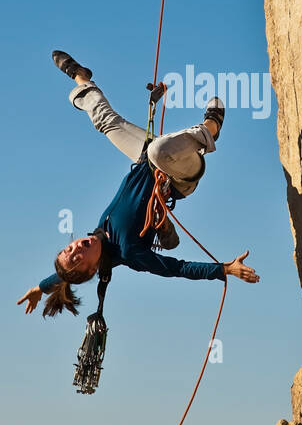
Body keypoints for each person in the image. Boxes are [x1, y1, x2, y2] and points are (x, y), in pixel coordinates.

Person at [17, 51, 259, 320]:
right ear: (92, 268)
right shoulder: (129, 252)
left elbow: (62, 275)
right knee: (158, 150)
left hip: (147, 159)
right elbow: (176, 268)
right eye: (76, 258)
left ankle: (80, 75)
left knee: (105, 121)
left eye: (68, 249)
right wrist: (224, 269)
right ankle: (211, 127)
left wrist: (40, 287)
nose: (75, 249)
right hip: (179, 176)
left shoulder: (100, 233)